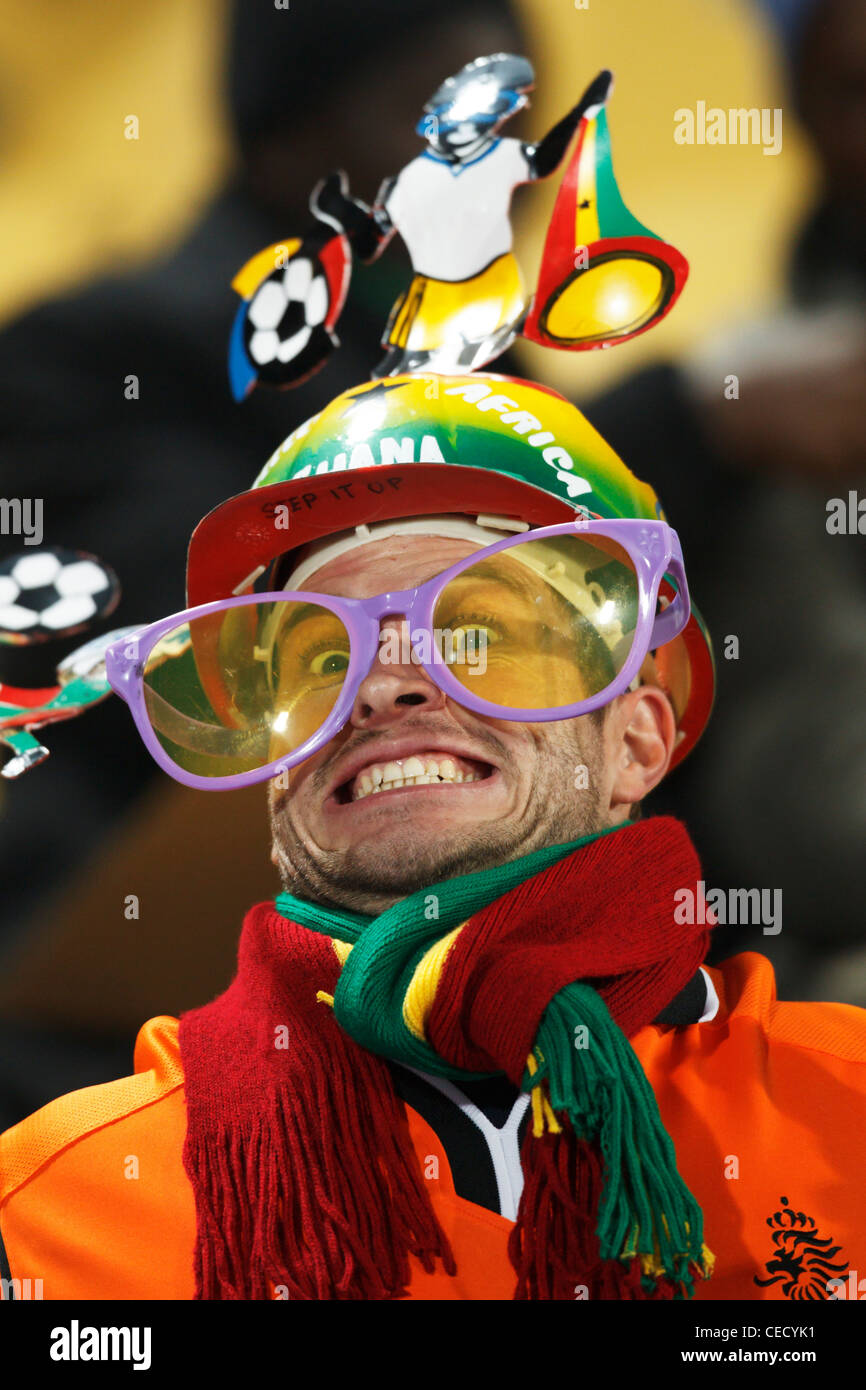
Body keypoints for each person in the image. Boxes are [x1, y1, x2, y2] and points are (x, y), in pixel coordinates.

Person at [2, 371, 864, 1302]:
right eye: (323, 659)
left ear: (638, 743)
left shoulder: (846, 1113)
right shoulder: (50, 1214)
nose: (379, 686)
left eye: (476, 636)